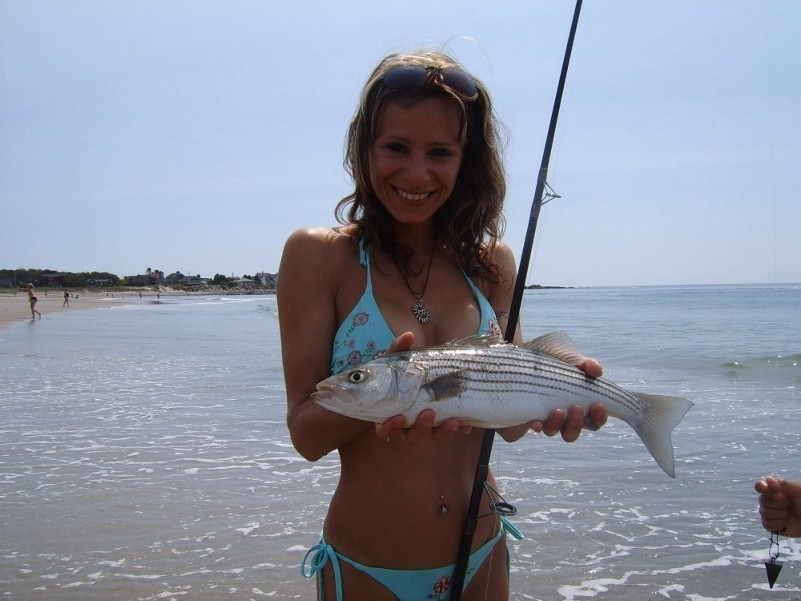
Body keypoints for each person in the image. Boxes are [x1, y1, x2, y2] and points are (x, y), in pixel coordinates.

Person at [277, 50, 608, 601]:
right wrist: (391, 398)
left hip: (482, 552)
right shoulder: (320, 257)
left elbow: (508, 424)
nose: (416, 174)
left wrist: (558, 406)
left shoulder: (492, 264)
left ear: (466, 161)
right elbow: (305, 435)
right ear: (365, 150)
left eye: (440, 153)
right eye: (396, 148)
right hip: (368, 568)